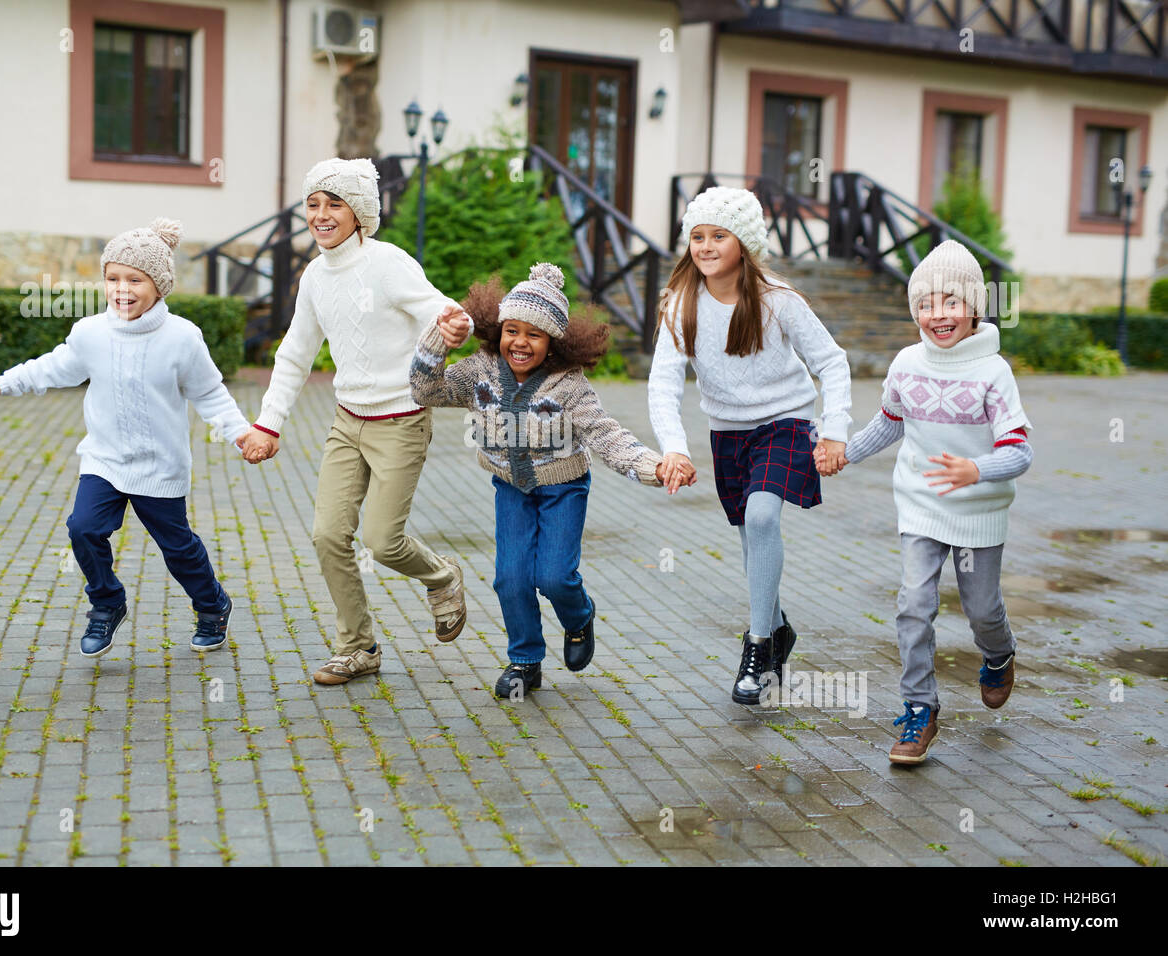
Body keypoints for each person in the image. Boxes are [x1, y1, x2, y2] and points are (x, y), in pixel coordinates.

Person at [237, 157, 469, 686]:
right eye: (313, 203)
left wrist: (455, 325)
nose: (321, 214)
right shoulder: (315, 276)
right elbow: (295, 353)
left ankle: (441, 576)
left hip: (401, 421)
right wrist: (267, 424)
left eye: (334, 203)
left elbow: (442, 309)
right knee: (327, 535)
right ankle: (357, 647)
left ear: (360, 212)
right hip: (347, 422)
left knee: (384, 543)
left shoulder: (388, 264)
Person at [0, 218, 249, 658]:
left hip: (160, 465)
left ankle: (212, 605)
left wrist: (241, 434)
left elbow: (210, 393)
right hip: (104, 459)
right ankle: (107, 604)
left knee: (177, 548)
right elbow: (53, 366)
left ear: (159, 285)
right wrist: (4, 382)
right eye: (113, 278)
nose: (122, 289)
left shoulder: (182, 338)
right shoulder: (91, 333)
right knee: (83, 528)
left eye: (134, 280)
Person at [410, 264, 671, 698]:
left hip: (563, 489)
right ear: (500, 333)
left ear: (553, 343)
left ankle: (579, 616)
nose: (520, 342)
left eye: (534, 334)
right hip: (511, 488)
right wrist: (437, 338)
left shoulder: (569, 387)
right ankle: (525, 661)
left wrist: (652, 467)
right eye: (512, 330)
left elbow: (606, 434)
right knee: (510, 577)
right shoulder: (481, 372)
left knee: (553, 576)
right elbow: (426, 391)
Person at [822, 239, 1032, 765]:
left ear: (974, 308)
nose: (938, 314)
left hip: (979, 510)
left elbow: (1020, 450)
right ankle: (920, 709)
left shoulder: (993, 372)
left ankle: (999, 653)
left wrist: (975, 469)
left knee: (982, 609)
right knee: (914, 604)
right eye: (926, 304)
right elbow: (892, 421)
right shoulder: (907, 362)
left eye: (951, 302)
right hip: (920, 504)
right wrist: (847, 453)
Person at [648, 186, 852, 706]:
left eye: (719, 235)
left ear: (745, 242)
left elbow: (832, 361)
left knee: (762, 519)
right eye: (697, 236)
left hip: (785, 422)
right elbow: (663, 385)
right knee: (747, 538)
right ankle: (778, 626)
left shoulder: (778, 300)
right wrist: (674, 448)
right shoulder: (680, 305)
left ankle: (758, 646)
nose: (706, 245)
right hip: (727, 433)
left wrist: (834, 431)